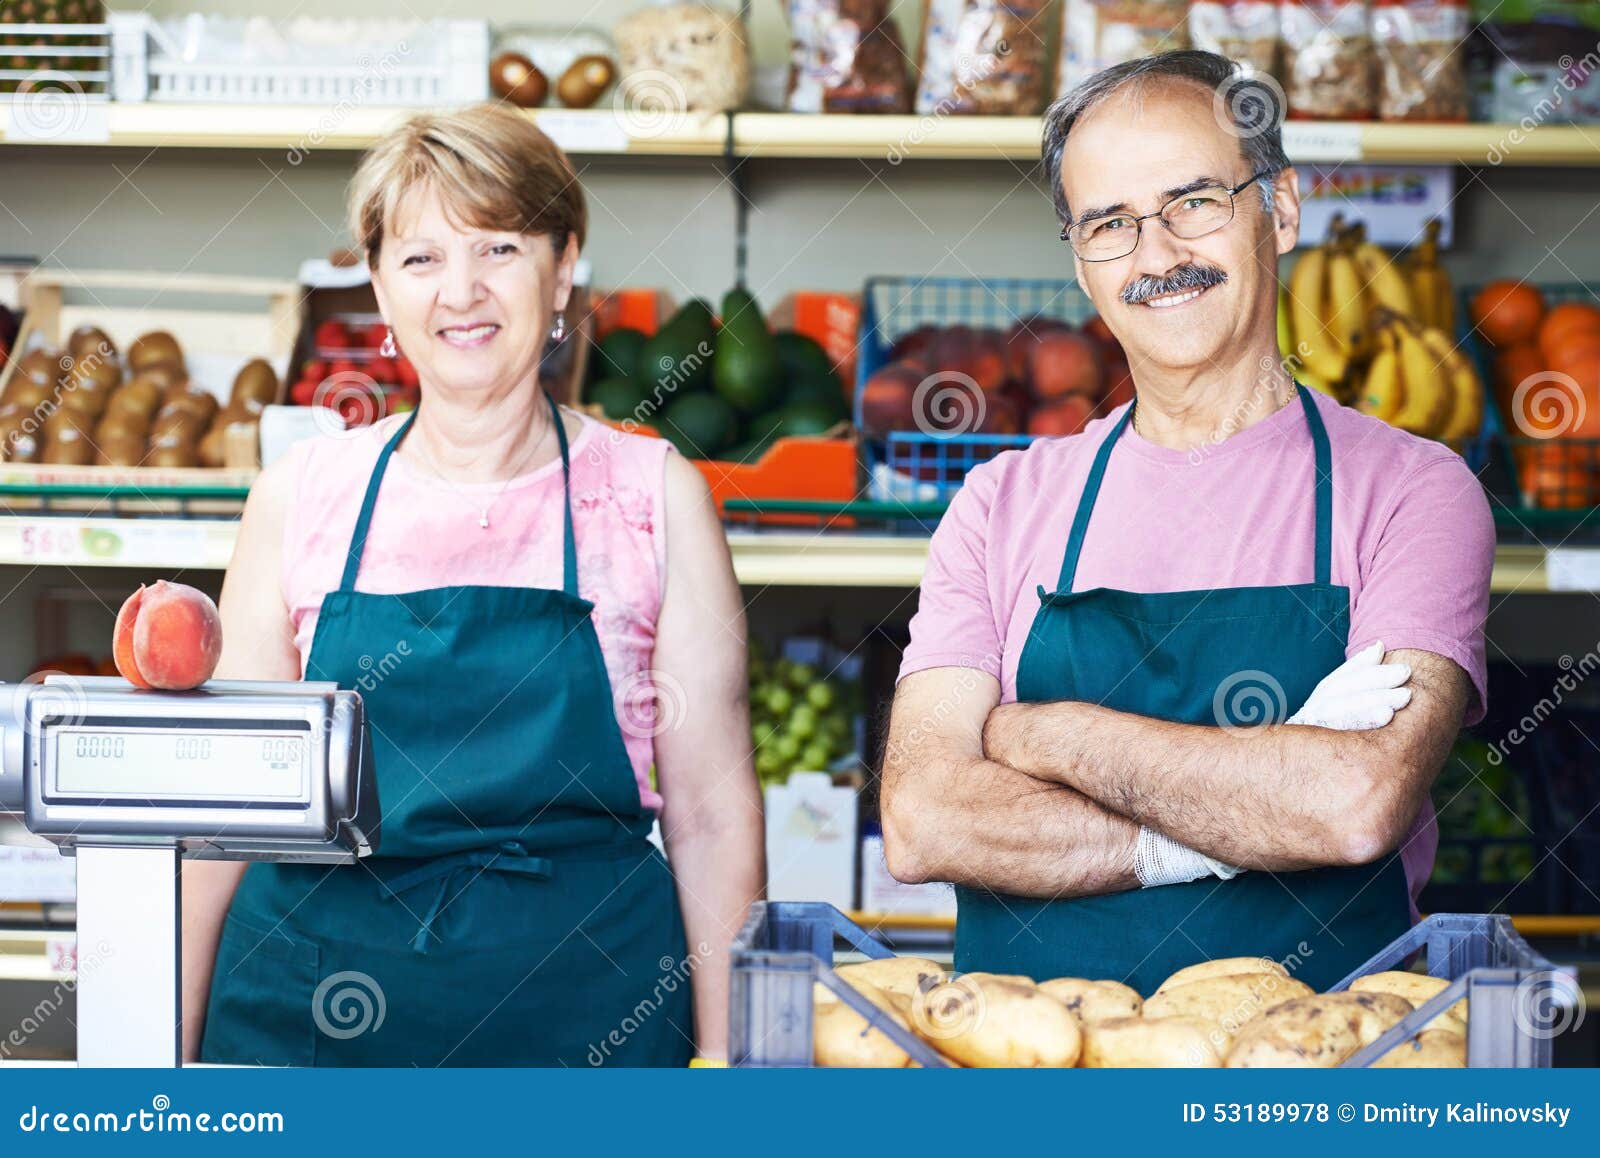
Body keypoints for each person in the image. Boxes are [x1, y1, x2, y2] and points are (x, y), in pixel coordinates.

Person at [880, 52, 1492, 993]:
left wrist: (1046, 737)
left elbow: (1354, 804)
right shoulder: (1000, 505)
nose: (1158, 256)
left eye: (1194, 202)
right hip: (1032, 1075)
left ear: (1279, 209)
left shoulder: (1413, 491)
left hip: (1313, 1079)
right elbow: (926, 821)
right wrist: (1254, 805)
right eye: (1111, 224)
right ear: (1081, 262)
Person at [183, 103, 763, 1065]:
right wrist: (156, 1064)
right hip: (309, 1023)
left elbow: (709, 813)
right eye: (419, 259)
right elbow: (227, 818)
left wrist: (732, 1071)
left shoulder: (654, 496)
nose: (462, 292)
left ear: (563, 263)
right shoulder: (300, 499)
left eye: (498, 247)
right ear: (378, 282)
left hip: (587, 1021)